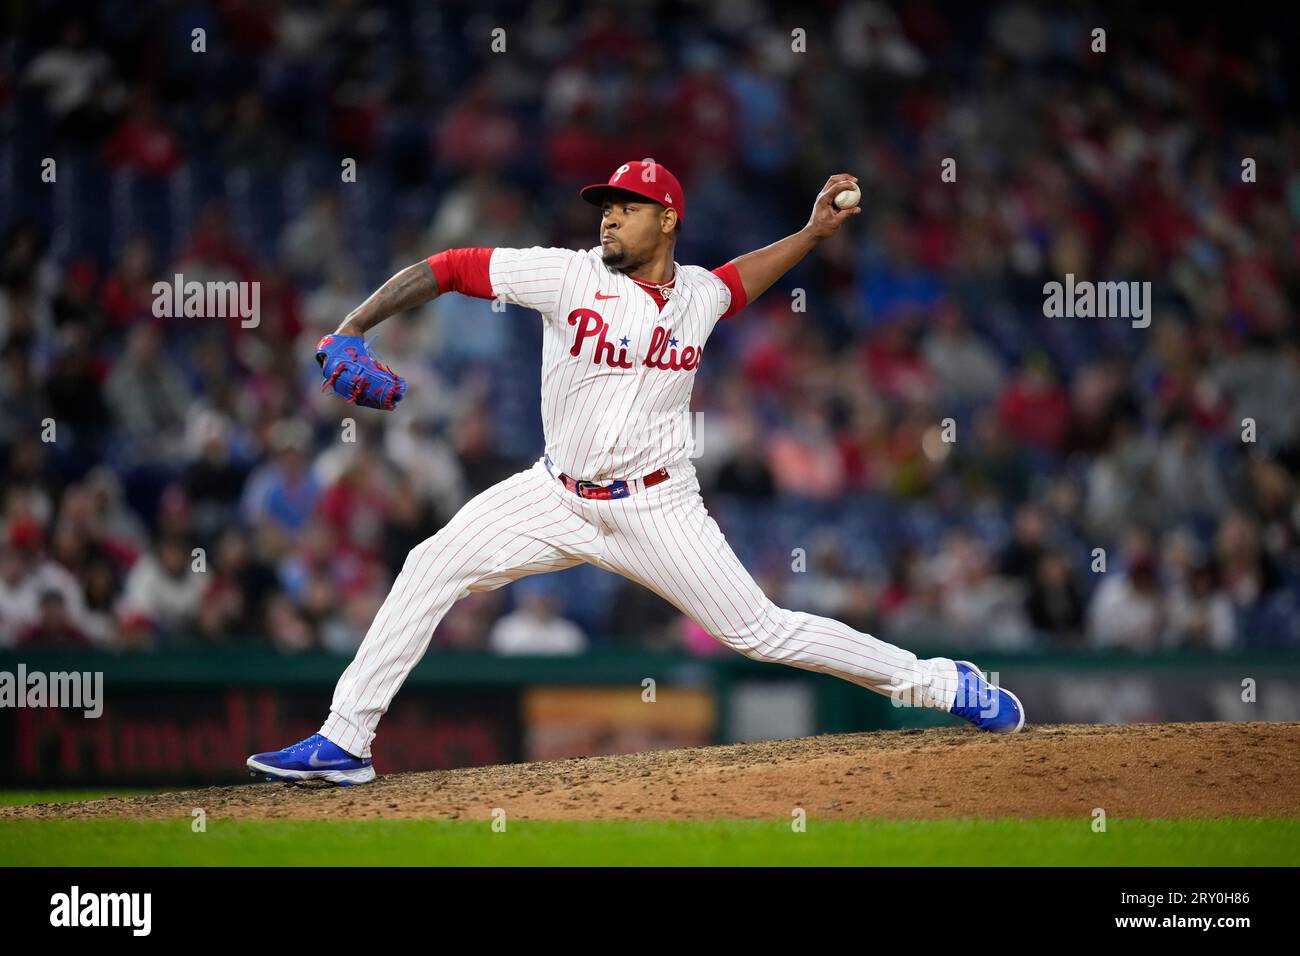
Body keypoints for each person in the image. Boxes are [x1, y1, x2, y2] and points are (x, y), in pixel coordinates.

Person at [248, 163, 1025, 785]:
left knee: (759, 631)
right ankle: (344, 741)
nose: (608, 216)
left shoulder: (697, 295)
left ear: (668, 219)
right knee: (428, 564)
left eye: (627, 205)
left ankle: (941, 684)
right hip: (554, 495)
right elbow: (447, 267)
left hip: (660, 510)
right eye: (605, 205)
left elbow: (741, 279)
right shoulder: (567, 275)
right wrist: (351, 327)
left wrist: (812, 235)